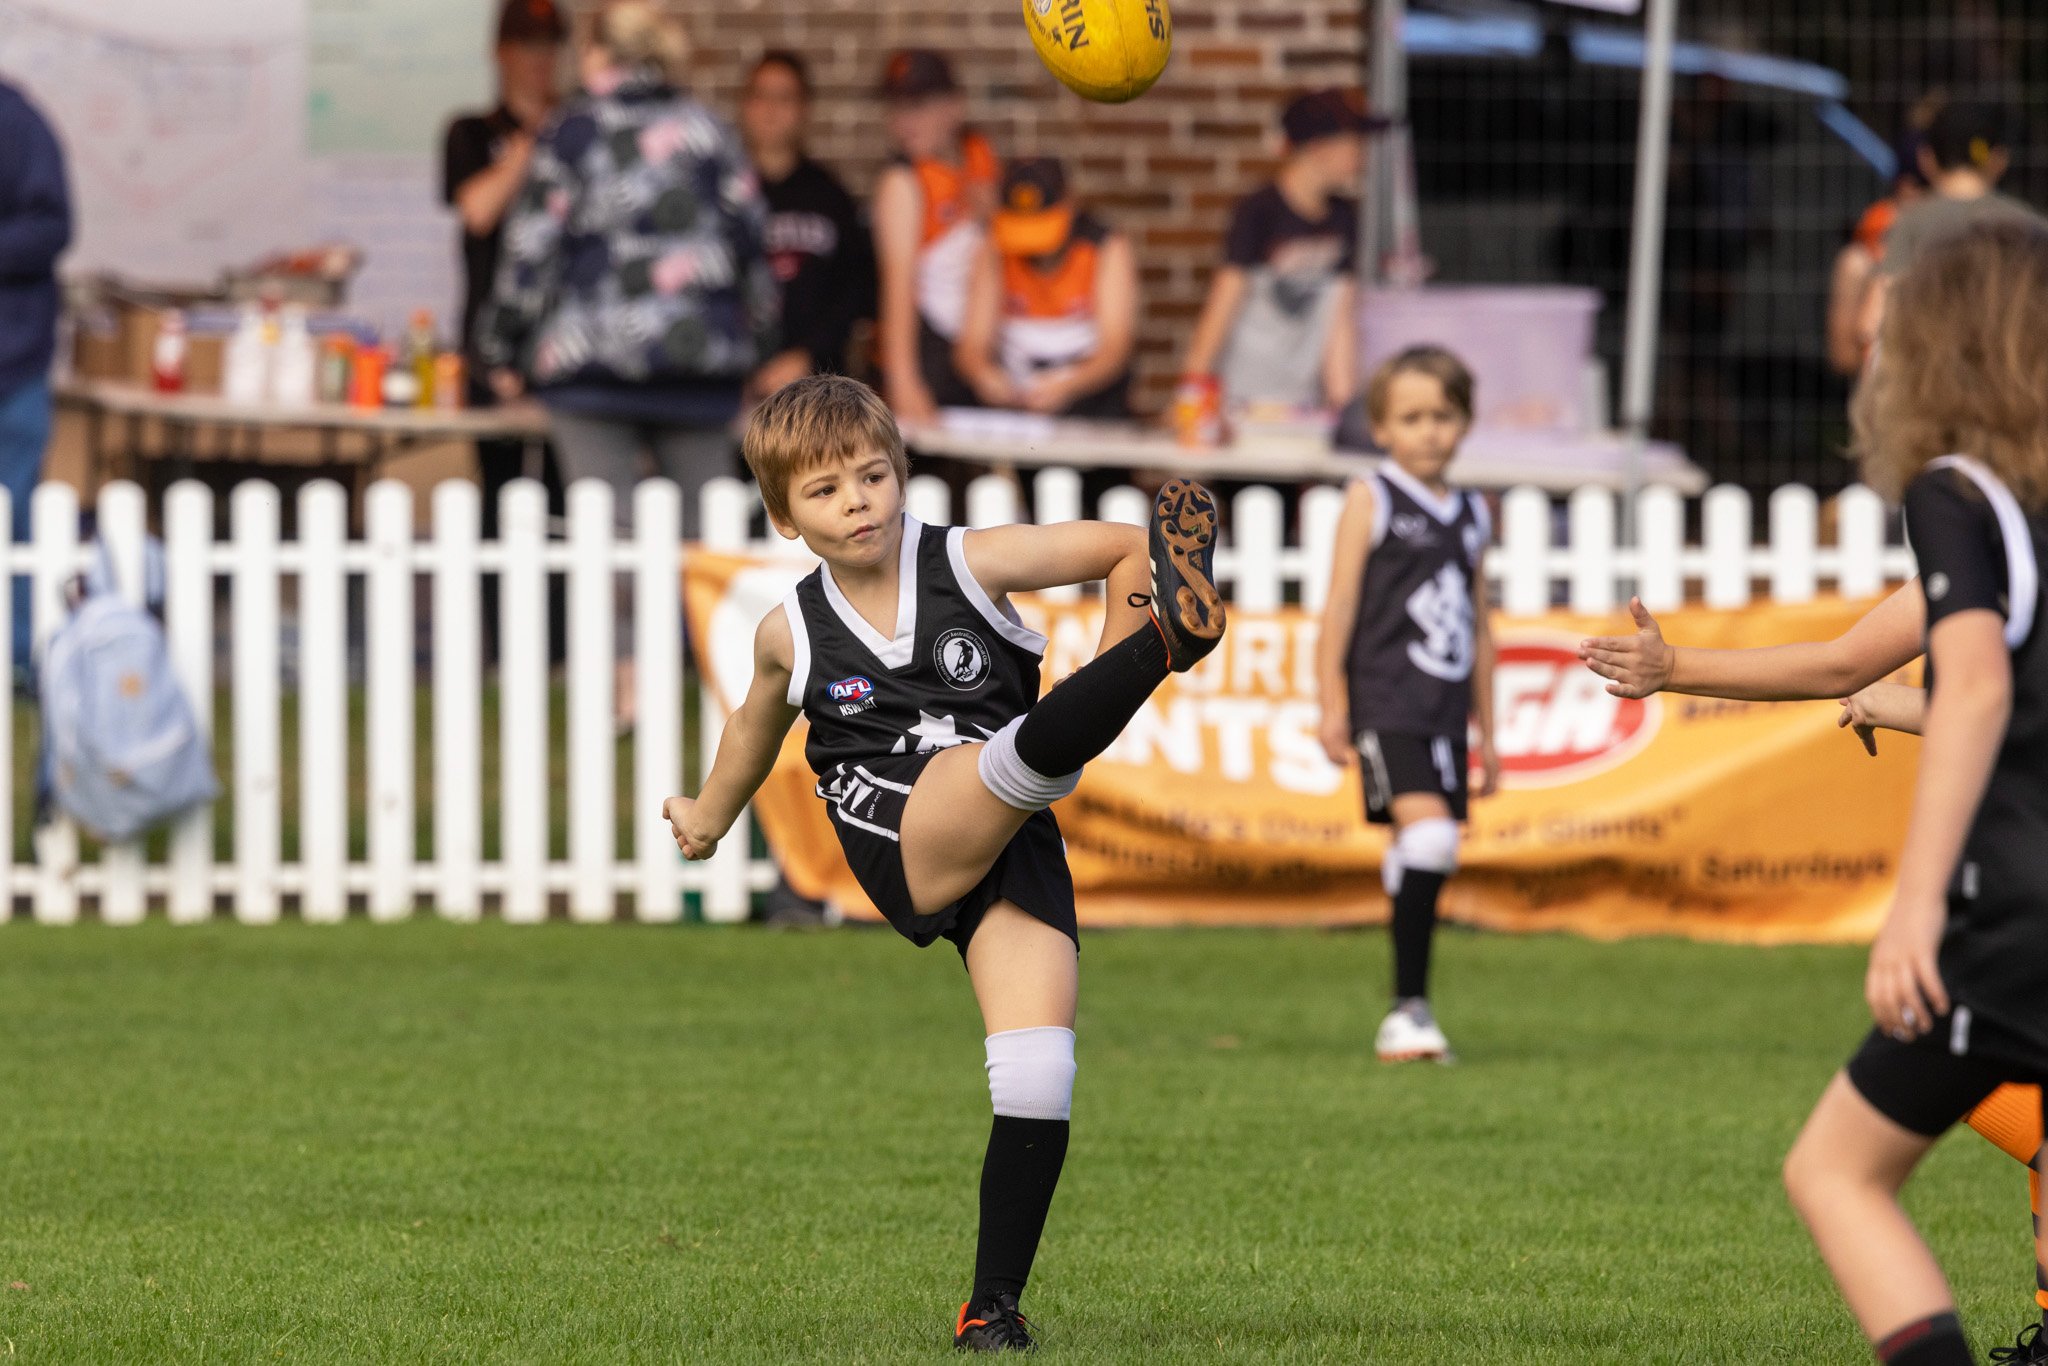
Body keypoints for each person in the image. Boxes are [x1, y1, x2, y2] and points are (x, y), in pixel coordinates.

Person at [660, 375, 1224, 1351]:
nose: (857, 502)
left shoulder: (967, 560)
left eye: (872, 476)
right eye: (826, 491)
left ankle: (988, 1308)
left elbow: (1130, 547)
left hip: (1011, 830)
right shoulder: (787, 630)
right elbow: (752, 732)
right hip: (895, 826)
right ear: (784, 517)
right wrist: (705, 817)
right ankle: (1157, 657)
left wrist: (1118, 629)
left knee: (1038, 1070)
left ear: (901, 473)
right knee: (1003, 764)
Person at [1726, 220, 2047, 1366]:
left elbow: (1969, 692)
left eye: (1889, 329)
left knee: (1835, 1172)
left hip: (2015, 912)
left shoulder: (1958, 490)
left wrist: (1915, 905)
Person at [1581, 579, 2048, 1364]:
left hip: (2018, 904)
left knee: (1842, 1167)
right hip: (2016, 900)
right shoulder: (1988, 528)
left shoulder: (1973, 521)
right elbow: (1852, 667)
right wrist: (1673, 667)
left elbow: (1938, 695)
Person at [479, 0, 776, 532]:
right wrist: (761, 347)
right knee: (703, 545)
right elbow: (753, 246)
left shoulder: (572, 131)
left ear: (603, 54)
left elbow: (530, 249)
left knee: (606, 544)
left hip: (592, 371)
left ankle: (615, 617)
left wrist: (500, 348)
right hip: (699, 371)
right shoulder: (708, 131)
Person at [1314, 346, 1499, 1064]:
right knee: (1430, 842)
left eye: (1443, 417)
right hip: (1384, 704)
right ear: (1382, 427)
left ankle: (1409, 1000)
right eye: (1412, 417)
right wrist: (1331, 701)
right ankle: (1408, 1013)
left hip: (1445, 716)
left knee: (1420, 850)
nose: (1429, 431)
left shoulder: (1474, 513)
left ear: (1464, 423)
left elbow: (1482, 625)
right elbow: (1340, 606)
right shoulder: (1374, 497)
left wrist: (1491, 730)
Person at [442, 0, 567, 662]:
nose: (539, 59)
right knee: (498, 500)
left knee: (563, 501)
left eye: (549, 45)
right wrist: (532, 148)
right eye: (527, 45)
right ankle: (500, 648)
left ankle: (558, 650)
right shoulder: (471, 131)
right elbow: (477, 210)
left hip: (564, 349)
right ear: (502, 52)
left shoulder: (579, 132)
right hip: (492, 347)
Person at [1180, 88, 1373, 415]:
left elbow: (1339, 318)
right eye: (1355, 144)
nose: (1362, 156)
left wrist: (1343, 404)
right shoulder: (1259, 211)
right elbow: (1223, 302)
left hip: (1302, 404)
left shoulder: (1345, 218)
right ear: (1319, 147)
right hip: (1241, 399)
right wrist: (1192, 390)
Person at [952, 157, 1137, 419]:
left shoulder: (1104, 247)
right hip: (1016, 401)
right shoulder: (994, 249)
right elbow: (971, 345)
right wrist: (985, 376)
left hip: (1089, 402)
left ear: (1070, 204)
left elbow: (1114, 349)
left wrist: (1068, 383)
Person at [870, 50, 998, 424]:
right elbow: (898, 285)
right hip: (928, 356)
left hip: (971, 353)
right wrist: (905, 381)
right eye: (896, 107)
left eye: (919, 105)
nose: (904, 120)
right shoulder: (902, 181)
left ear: (955, 106)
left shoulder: (979, 159)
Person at [1855, 101, 2042, 356]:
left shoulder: (1912, 222)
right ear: (1999, 159)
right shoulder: (2031, 226)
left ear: (1926, 158)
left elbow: (1871, 323)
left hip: (1931, 383)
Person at [737, 51, 874, 397]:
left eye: (784, 98)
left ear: (804, 110)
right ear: (746, 106)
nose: (771, 110)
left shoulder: (831, 198)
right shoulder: (722, 197)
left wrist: (808, 355)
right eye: (761, 96)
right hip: (734, 389)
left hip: (817, 392)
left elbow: (857, 291)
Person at [0, 79, 69, 673]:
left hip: (11, 360)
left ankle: (23, 655)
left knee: (15, 513)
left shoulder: (18, 125)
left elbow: (51, 227)